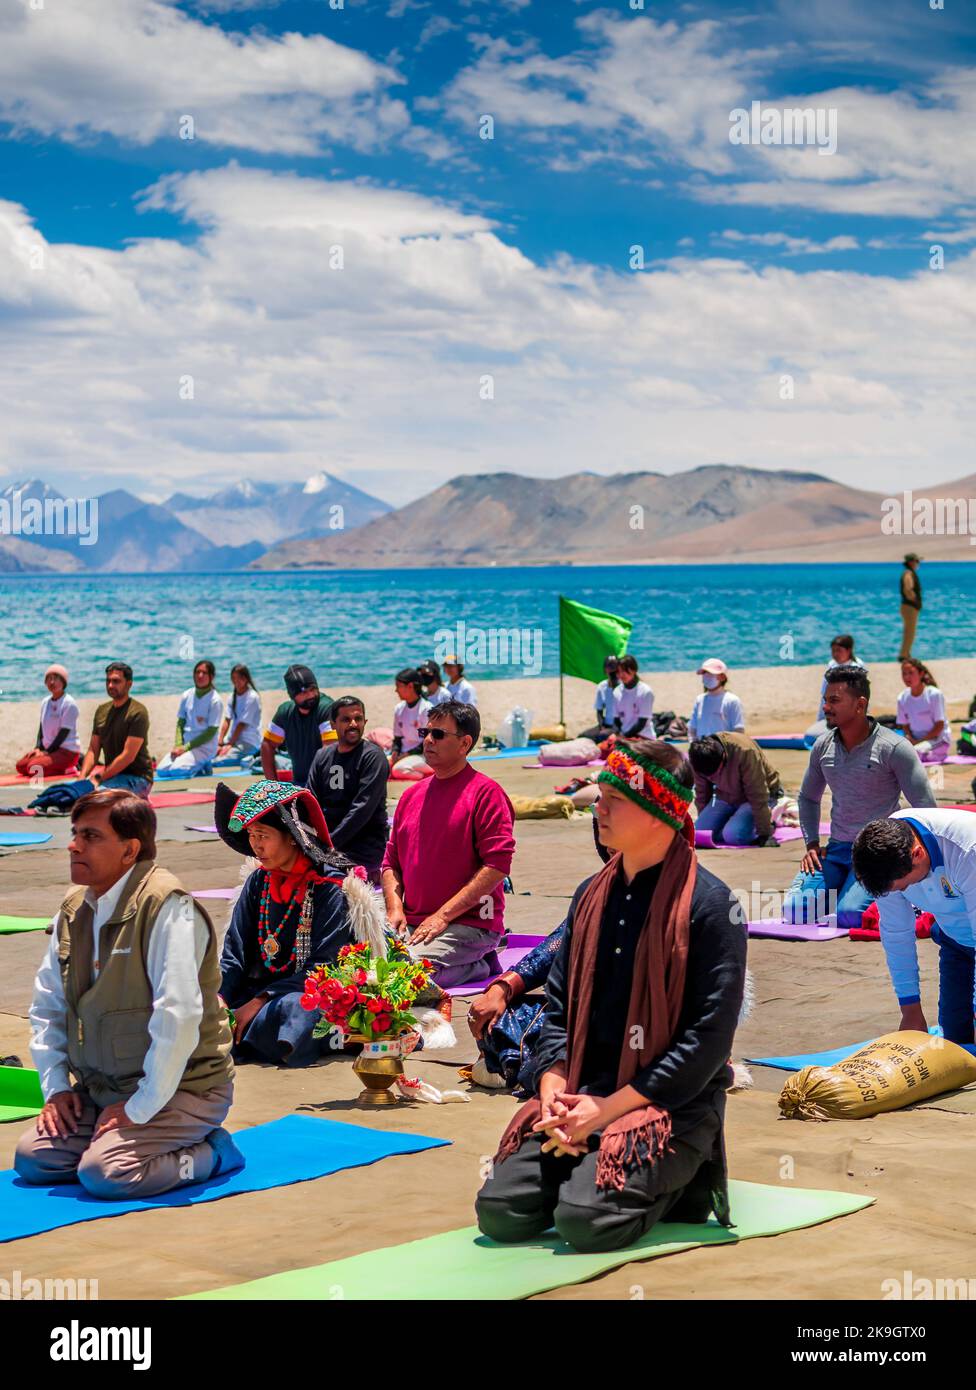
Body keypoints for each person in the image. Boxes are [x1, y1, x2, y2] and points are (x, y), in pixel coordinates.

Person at [475, 739, 746, 1253]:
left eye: (610, 800)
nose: (596, 808)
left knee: (584, 1222)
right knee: (500, 1214)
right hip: (580, 1093)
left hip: (668, 1107)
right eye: (598, 796)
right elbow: (558, 1009)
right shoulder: (590, 894)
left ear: (656, 812)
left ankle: (681, 1183)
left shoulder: (713, 907)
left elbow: (706, 1045)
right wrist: (554, 1088)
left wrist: (605, 1113)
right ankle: (593, 1161)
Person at [14, 789, 241, 1197]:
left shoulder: (167, 907)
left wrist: (140, 1107)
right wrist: (58, 1091)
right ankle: (118, 1137)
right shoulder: (73, 910)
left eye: (90, 836)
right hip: (104, 1089)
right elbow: (46, 1007)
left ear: (129, 850)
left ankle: (212, 1153)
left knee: (107, 1173)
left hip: (184, 1088)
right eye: (74, 833)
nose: (73, 845)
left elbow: (179, 1015)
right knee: (35, 1160)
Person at [216, 781, 357, 1067]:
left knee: (297, 1011)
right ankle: (248, 1031)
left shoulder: (329, 887)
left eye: (264, 835)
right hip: (257, 991)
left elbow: (324, 967)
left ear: (292, 836)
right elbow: (234, 953)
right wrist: (219, 998)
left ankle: (252, 1034)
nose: (256, 845)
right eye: (252, 835)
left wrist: (259, 1002)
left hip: (304, 991)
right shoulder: (258, 881)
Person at [784, 666, 936, 929]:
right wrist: (811, 844)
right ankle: (846, 890)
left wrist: (915, 860)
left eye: (834, 700)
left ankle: (902, 897)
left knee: (851, 915)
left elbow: (925, 807)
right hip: (837, 850)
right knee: (795, 911)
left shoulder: (894, 748)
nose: (826, 707)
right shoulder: (823, 746)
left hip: (878, 853)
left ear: (859, 704)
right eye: (825, 700)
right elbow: (808, 797)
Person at [382, 700, 515, 988]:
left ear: (464, 743)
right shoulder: (410, 796)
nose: (428, 740)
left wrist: (442, 917)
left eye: (438, 734)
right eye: (425, 733)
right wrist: (395, 910)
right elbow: (390, 864)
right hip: (415, 924)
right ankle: (475, 963)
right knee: (358, 969)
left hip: (469, 924)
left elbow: (497, 866)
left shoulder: (486, 794)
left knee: (403, 980)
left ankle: (479, 965)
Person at [852, 809, 976, 1045]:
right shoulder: (882, 857)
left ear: (917, 854)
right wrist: (910, 1010)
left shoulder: (969, 850)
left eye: (903, 886)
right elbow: (897, 934)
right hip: (956, 941)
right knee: (956, 1042)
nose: (899, 893)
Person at [305, 697, 389, 881]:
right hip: (327, 845)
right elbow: (309, 802)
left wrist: (328, 847)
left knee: (329, 881)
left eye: (358, 719)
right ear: (333, 724)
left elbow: (361, 809)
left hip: (364, 847)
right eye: (345, 719)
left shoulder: (373, 758)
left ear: (364, 722)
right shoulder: (322, 756)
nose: (353, 724)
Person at [688, 732, 782, 846]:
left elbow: (757, 794)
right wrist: (706, 822)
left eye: (714, 774)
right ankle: (733, 823)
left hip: (754, 797)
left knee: (734, 836)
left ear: (723, 758)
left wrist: (765, 834)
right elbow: (702, 793)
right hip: (725, 796)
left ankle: (769, 822)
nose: (711, 778)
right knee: (698, 833)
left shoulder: (744, 752)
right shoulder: (698, 758)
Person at [75, 663, 154, 796]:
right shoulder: (101, 711)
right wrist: (81, 778)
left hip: (138, 778)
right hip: (112, 776)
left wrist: (99, 777)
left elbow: (127, 756)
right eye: (108, 681)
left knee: (94, 795)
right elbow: (93, 750)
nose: (110, 685)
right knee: (76, 790)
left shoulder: (137, 712)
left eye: (116, 681)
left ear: (129, 684)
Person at [261, 664, 334, 787]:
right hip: (300, 782)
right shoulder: (285, 712)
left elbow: (330, 750)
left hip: (328, 784)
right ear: (292, 695)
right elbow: (267, 745)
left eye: (313, 689)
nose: (311, 695)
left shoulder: (327, 708)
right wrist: (273, 785)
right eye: (304, 692)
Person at [156, 660, 223, 778]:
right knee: (162, 770)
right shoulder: (187, 695)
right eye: (197, 672)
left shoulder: (215, 700)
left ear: (211, 677)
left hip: (204, 748)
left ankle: (204, 765)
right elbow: (180, 723)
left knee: (177, 770)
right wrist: (178, 745)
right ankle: (195, 764)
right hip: (185, 747)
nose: (200, 676)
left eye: (204, 673)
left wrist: (185, 748)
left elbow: (211, 732)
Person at [15, 664, 81, 777]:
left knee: (33, 767)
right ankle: (54, 765)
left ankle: (69, 768)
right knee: (21, 766)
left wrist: (46, 752)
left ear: (63, 682)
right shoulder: (45, 702)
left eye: (56, 678)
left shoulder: (69, 703)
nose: (52, 682)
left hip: (67, 751)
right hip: (49, 750)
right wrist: (37, 748)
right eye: (49, 679)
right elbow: (41, 729)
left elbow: (63, 734)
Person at [804, 635, 867, 743]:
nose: (835, 654)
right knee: (811, 734)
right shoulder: (831, 665)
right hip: (831, 716)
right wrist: (820, 719)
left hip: (850, 716)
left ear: (849, 650)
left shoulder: (857, 667)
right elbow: (824, 697)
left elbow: (862, 697)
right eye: (833, 651)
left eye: (839, 650)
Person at [896, 658, 950, 764]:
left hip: (938, 740)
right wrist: (910, 738)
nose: (907, 677)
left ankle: (939, 754)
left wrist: (919, 742)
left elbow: (939, 726)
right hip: (916, 741)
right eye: (904, 673)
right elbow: (905, 725)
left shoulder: (934, 695)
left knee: (914, 754)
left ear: (921, 674)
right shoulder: (902, 697)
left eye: (911, 673)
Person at [215, 664, 263, 764]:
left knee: (219, 761)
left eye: (240, 678)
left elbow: (241, 724)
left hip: (249, 742)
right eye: (234, 678)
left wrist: (229, 745)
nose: (236, 681)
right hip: (234, 740)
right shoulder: (232, 696)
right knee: (212, 752)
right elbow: (227, 720)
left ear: (246, 678)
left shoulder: (252, 697)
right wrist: (220, 743)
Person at [688, 660, 745, 740]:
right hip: (701, 748)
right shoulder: (700, 700)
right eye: (704, 673)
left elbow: (739, 730)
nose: (706, 676)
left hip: (722, 748)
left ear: (722, 677)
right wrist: (693, 744)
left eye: (711, 673)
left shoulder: (732, 701)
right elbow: (692, 729)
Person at [391, 669, 431, 766]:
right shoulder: (399, 709)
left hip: (422, 754)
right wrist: (395, 751)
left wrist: (407, 754)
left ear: (410, 686)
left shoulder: (426, 709)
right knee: (383, 763)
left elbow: (427, 742)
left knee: (399, 769)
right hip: (404, 753)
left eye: (398, 686)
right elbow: (397, 738)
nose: (396, 690)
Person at [579, 656, 620, 741]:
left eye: (614, 666)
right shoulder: (602, 686)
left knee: (603, 737)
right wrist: (602, 726)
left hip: (620, 726)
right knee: (582, 736)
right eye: (610, 666)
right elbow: (599, 711)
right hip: (607, 724)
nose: (612, 669)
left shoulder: (623, 687)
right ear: (605, 670)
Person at [612, 655, 654, 738]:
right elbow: (616, 720)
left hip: (643, 736)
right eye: (618, 672)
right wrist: (618, 734)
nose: (621, 675)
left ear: (634, 670)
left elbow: (641, 722)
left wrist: (625, 736)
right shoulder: (617, 691)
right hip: (624, 734)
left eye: (624, 671)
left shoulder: (645, 691)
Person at [899, 553, 923, 660]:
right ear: (911, 562)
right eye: (917, 561)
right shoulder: (908, 574)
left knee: (910, 631)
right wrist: (915, 601)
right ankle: (904, 655)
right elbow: (908, 590)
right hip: (909, 607)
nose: (918, 563)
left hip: (909, 606)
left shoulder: (909, 573)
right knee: (910, 632)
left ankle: (906, 653)